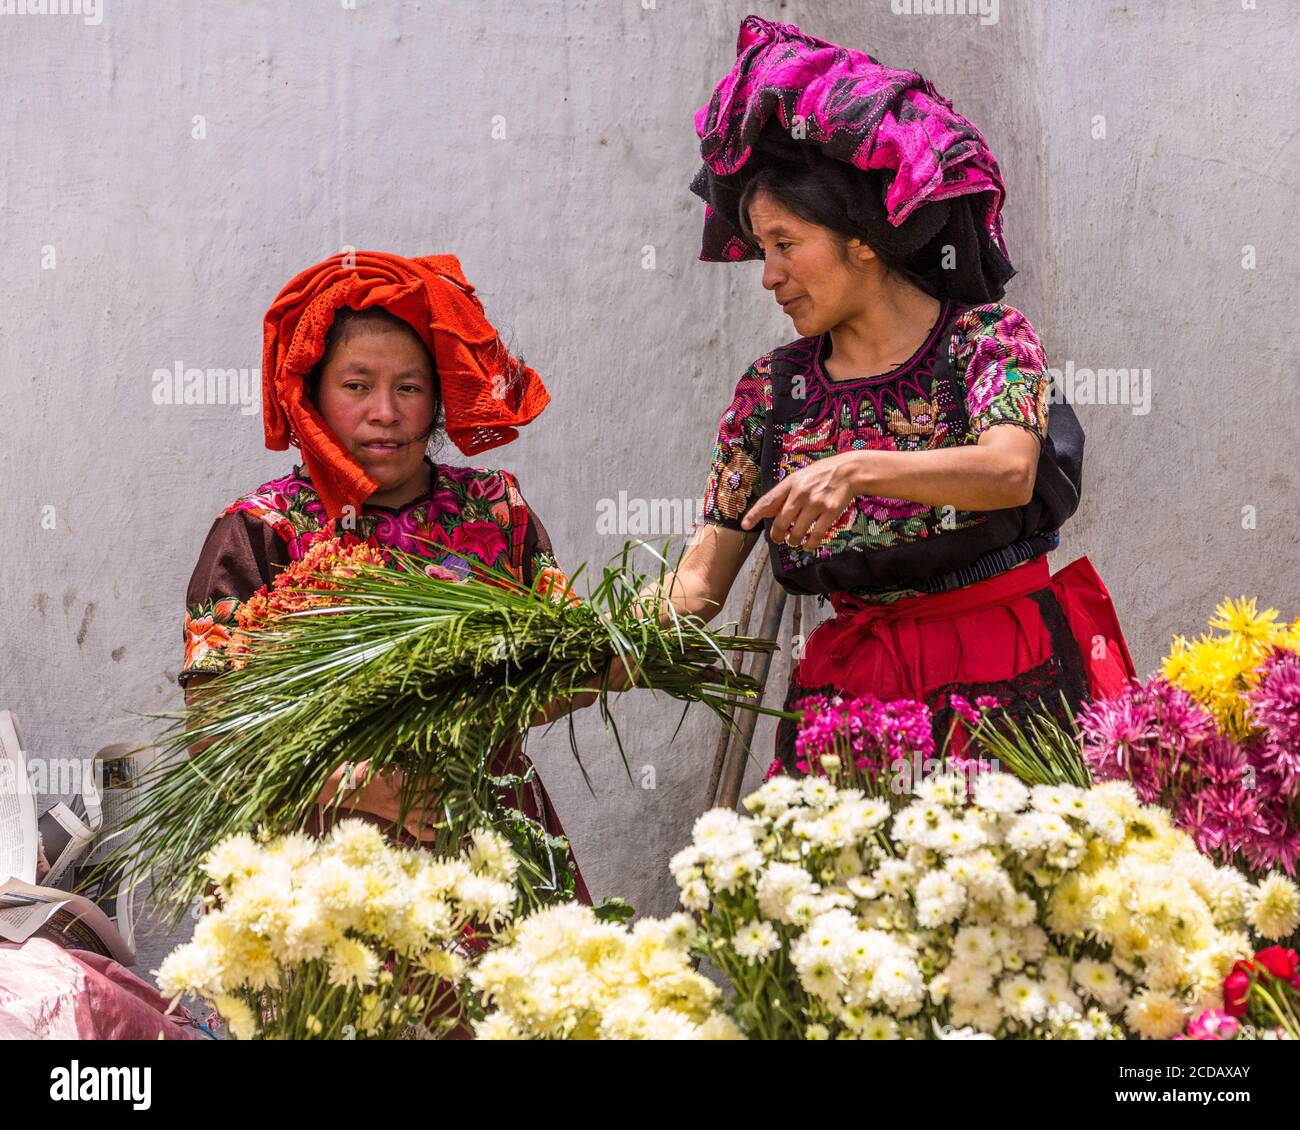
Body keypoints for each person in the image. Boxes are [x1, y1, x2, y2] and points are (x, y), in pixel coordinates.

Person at [647, 17, 1137, 767]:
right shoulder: (769, 396)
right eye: (761, 249)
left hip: (1008, 679)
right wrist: (566, 646)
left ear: (865, 236)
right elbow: (698, 586)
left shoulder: (988, 342)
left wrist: (856, 468)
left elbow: (1009, 470)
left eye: (785, 244)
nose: (768, 274)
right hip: (855, 703)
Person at [178, 250, 591, 902]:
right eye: (356, 385)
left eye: (409, 386)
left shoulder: (496, 510)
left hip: (488, 839)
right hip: (323, 869)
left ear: (440, 396)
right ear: (310, 395)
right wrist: (363, 784)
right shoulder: (262, 531)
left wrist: (475, 713)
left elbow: (575, 670)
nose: (385, 412)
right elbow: (215, 725)